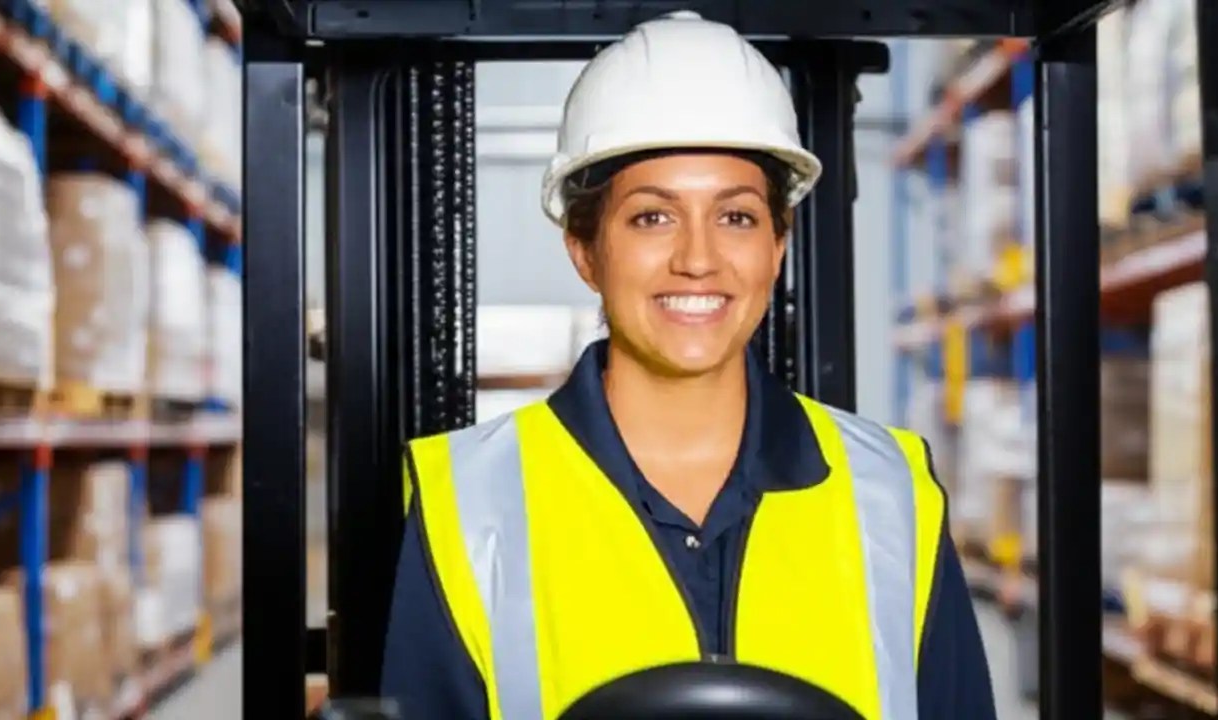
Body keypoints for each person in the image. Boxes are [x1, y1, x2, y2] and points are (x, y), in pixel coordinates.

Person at [382, 10, 995, 720]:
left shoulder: (893, 492)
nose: (698, 259)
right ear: (585, 251)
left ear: (777, 247)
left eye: (735, 217)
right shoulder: (470, 502)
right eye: (653, 217)